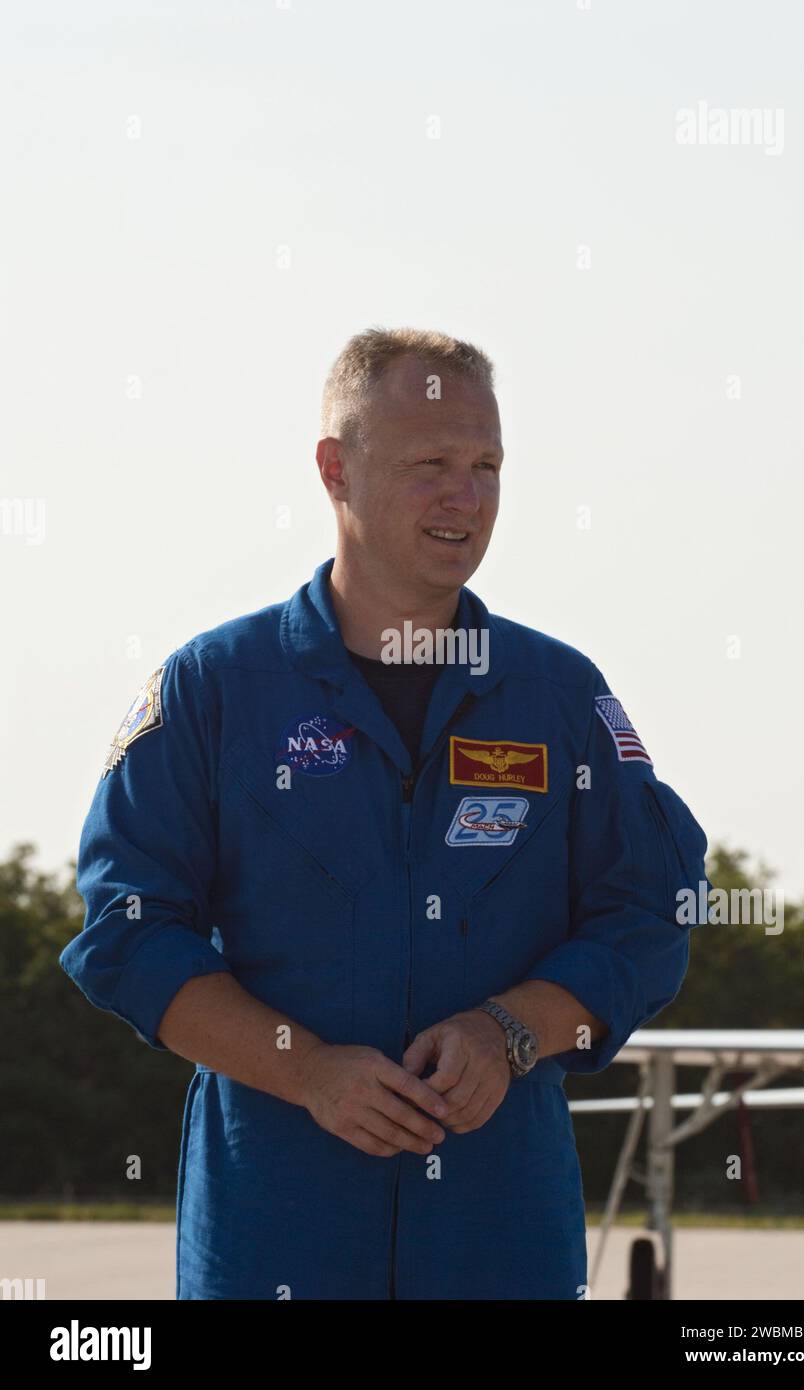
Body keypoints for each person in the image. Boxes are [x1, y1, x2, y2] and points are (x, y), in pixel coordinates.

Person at [60, 326, 710, 1300]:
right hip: (275, 1239)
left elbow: (655, 907)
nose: (467, 494)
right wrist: (310, 1070)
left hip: (501, 1242)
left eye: (487, 464)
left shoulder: (559, 696)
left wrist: (513, 1030)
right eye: (431, 464)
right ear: (335, 470)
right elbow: (127, 928)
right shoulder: (217, 691)